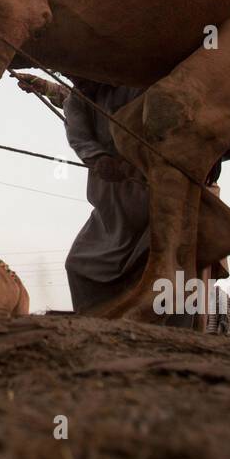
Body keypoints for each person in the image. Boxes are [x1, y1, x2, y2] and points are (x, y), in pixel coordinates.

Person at [61, 80, 153, 313]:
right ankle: (98, 325)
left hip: (152, 194)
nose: (73, 77)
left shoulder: (137, 83)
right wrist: (99, 158)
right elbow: (80, 139)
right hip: (110, 205)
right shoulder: (76, 100)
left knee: (158, 265)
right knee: (78, 263)